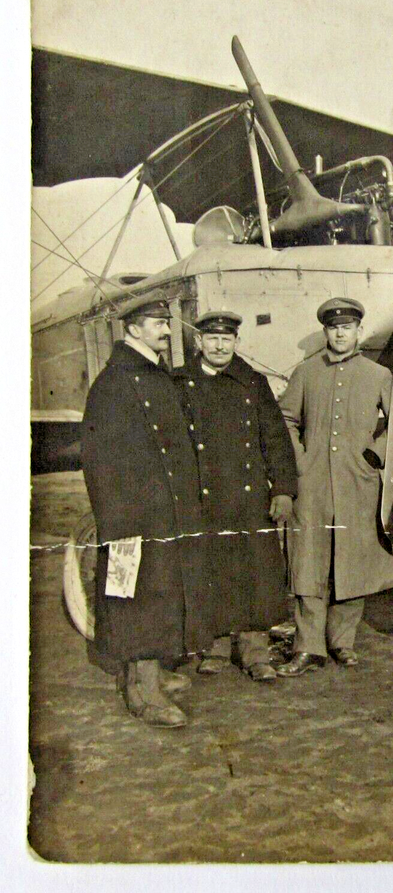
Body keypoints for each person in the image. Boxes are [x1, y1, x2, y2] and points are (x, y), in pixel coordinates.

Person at [81, 291, 209, 728]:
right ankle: (142, 692)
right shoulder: (114, 384)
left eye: (167, 322)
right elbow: (99, 462)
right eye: (159, 324)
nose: (168, 330)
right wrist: (118, 526)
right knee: (135, 601)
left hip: (163, 514)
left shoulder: (152, 374)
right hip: (131, 520)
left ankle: (151, 673)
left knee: (160, 595)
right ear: (134, 328)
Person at [174, 311, 298, 682]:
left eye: (226, 339)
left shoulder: (253, 382)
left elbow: (275, 439)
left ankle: (255, 653)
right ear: (199, 342)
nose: (219, 346)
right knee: (209, 571)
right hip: (202, 497)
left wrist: (284, 489)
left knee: (254, 574)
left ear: (236, 342)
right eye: (212, 339)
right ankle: (212, 648)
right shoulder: (179, 383)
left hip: (248, 498)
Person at [276, 297, 393, 677]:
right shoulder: (306, 372)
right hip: (311, 485)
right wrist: (301, 460)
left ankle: (342, 641)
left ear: (359, 330)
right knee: (308, 561)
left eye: (347, 327)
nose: (340, 333)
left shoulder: (378, 375)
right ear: (325, 331)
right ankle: (308, 647)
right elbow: (285, 419)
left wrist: (373, 456)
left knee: (353, 560)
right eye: (333, 327)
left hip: (357, 483)